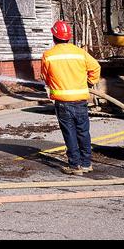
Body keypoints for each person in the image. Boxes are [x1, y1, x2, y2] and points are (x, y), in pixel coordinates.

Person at [41, 19, 101, 175]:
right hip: (80, 100)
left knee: (70, 134)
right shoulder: (80, 53)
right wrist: (90, 81)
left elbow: (45, 77)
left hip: (62, 103)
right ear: (69, 37)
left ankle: (75, 166)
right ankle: (86, 164)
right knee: (83, 132)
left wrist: (52, 84)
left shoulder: (48, 55)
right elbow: (96, 67)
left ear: (54, 37)